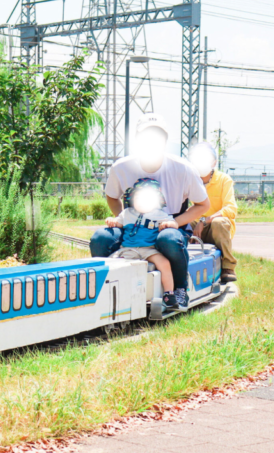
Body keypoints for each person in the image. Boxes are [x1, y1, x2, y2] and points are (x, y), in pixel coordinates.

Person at [90, 114, 210, 309]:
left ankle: (179, 289)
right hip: (134, 227)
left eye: (157, 138)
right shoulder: (121, 167)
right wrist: (122, 219)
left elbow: (203, 204)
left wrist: (175, 223)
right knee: (100, 238)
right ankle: (107, 289)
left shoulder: (183, 169)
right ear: (137, 141)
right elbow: (112, 196)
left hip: (167, 224)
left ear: (164, 142)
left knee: (169, 239)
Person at [105, 178, 179, 309]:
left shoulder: (159, 214)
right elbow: (118, 222)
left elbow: (175, 224)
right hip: (127, 249)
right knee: (111, 264)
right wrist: (111, 220)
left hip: (149, 250)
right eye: (138, 198)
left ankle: (169, 294)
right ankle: (108, 294)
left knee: (164, 263)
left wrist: (168, 224)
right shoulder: (127, 213)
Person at [188, 142, 238, 283]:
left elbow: (231, 209)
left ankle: (228, 267)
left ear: (214, 162)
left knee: (218, 222)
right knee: (183, 223)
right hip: (198, 226)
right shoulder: (191, 180)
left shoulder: (223, 180)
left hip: (216, 226)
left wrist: (205, 221)